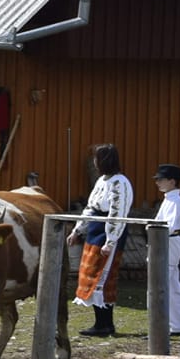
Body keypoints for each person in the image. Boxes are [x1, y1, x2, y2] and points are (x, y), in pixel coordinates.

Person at [69, 143, 133, 338]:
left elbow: (118, 213)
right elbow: (90, 208)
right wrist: (78, 230)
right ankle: (100, 323)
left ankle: (105, 324)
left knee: (103, 277)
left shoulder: (120, 183)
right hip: (95, 231)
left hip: (108, 232)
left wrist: (111, 240)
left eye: (97, 158)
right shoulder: (101, 181)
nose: (95, 162)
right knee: (90, 274)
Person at [151, 165, 180, 341]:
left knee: (164, 282)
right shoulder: (168, 199)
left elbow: (169, 226)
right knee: (171, 283)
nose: (157, 182)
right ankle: (177, 324)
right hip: (163, 241)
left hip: (169, 242)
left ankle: (173, 324)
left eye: (161, 179)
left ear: (172, 181)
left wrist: (154, 231)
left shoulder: (176, 201)